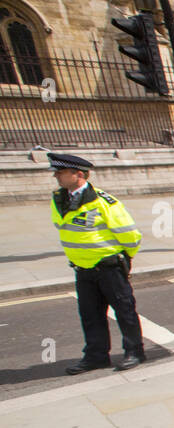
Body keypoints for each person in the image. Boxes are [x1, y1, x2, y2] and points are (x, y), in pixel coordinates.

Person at [49, 153, 146, 374]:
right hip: (82, 269)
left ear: (79, 174)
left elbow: (130, 235)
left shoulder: (103, 201)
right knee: (90, 314)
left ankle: (135, 352)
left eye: (61, 173)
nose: (56, 176)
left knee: (124, 311)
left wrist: (124, 259)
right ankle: (96, 356)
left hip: (108, 267)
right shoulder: (58, 200)